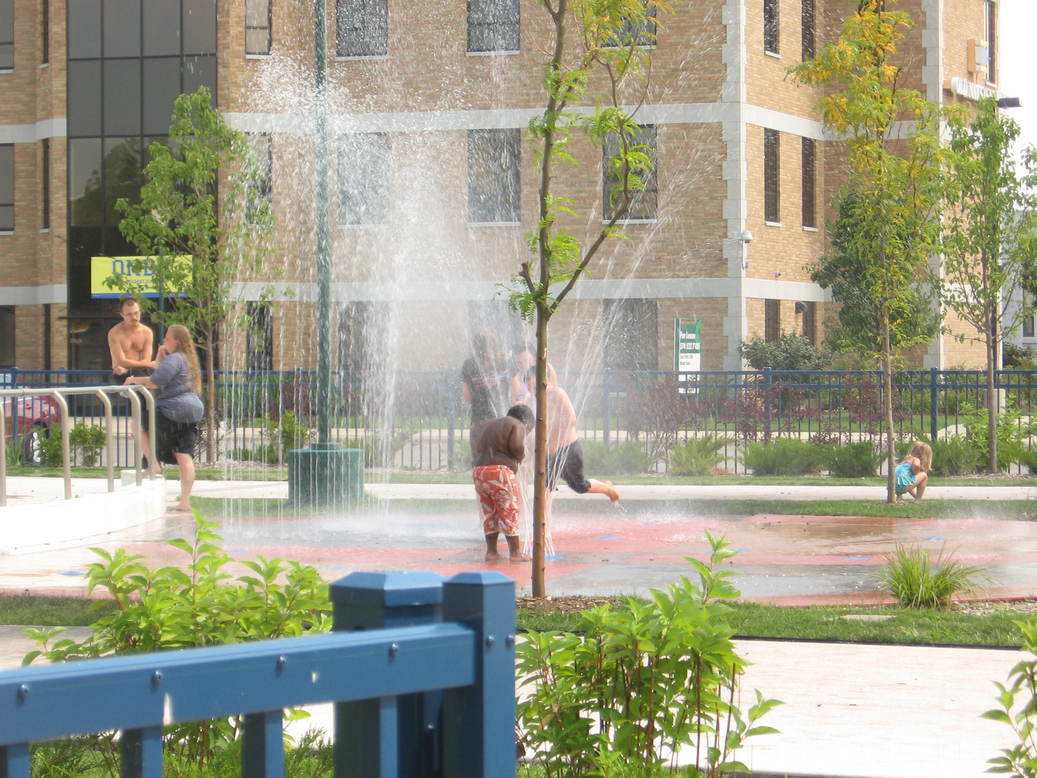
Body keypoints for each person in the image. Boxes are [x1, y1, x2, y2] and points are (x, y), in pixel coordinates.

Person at [126, 325, 204, 512]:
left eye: (167, 338)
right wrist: (161, 354)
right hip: (193, 410)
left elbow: (155, 381)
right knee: (184, 456)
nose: (164, 341)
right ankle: (185, 502)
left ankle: (153, 464)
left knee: (136, 424)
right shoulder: (187, 359)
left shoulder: (175, 358)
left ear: (176, 341)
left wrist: (133, 380)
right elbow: (161, 372)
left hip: (173, 409)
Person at [524, 367, 620, 503]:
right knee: (545, 486)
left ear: (545, 380)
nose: (533, 392)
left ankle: (607, 488)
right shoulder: (536, 399)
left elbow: (571, 419)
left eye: (534, 387)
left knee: (579, 485)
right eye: (530, 389)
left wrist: (554, 439)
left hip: (568, 448)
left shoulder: (557, 394)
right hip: (549, 451)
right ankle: (544, 516)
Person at [472, 404, 535, 563]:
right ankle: (515, 553)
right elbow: (516, 446)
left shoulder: (492, 425)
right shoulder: (517, 424)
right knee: (509, 510)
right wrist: (520, 456)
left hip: (479, 472)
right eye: (528, 431)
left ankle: (491, 552)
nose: (526, 434)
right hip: (500, 473)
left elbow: (478, 447)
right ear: (525, 421)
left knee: (490, 512)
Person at [462, 332, 521, 453]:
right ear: (495, 345)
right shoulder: (506, 362)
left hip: (480, 421)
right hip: (504, 419)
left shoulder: (469, 365)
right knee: (503, 457)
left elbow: (468, 396)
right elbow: (516, 390)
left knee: (481, 457)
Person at [108, 298, 154, 384]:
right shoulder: (115, 333)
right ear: (122, 315)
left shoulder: (147, 332)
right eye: (129, 314)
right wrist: (147, 364)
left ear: (140, 312)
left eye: (136, 313)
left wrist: (146, 364)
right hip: (121, 374)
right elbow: (121, 361)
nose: (134, 317)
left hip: (140, 373)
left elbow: (146, 360)